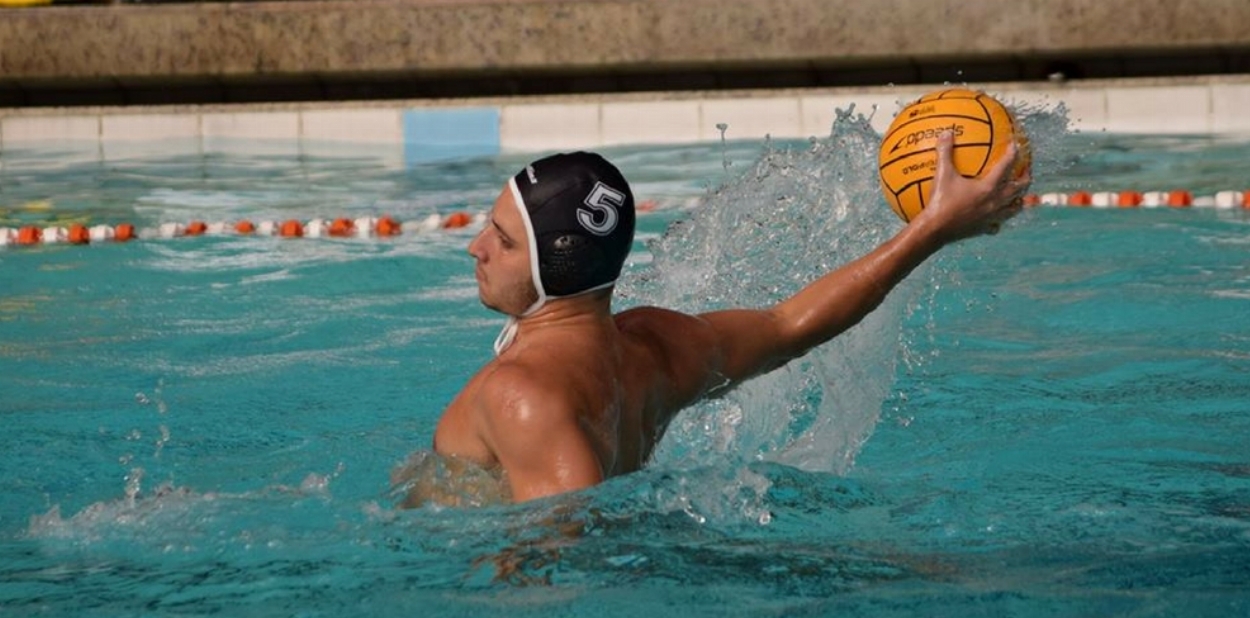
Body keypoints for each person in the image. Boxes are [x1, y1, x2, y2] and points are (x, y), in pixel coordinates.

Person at [400, 131, 1030, 506]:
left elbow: (564, 556)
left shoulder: (523, 396)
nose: (475, 247)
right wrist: (931, 232)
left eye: (504, 241)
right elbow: (792, 325)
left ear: (553, 267)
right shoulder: (655, 346)